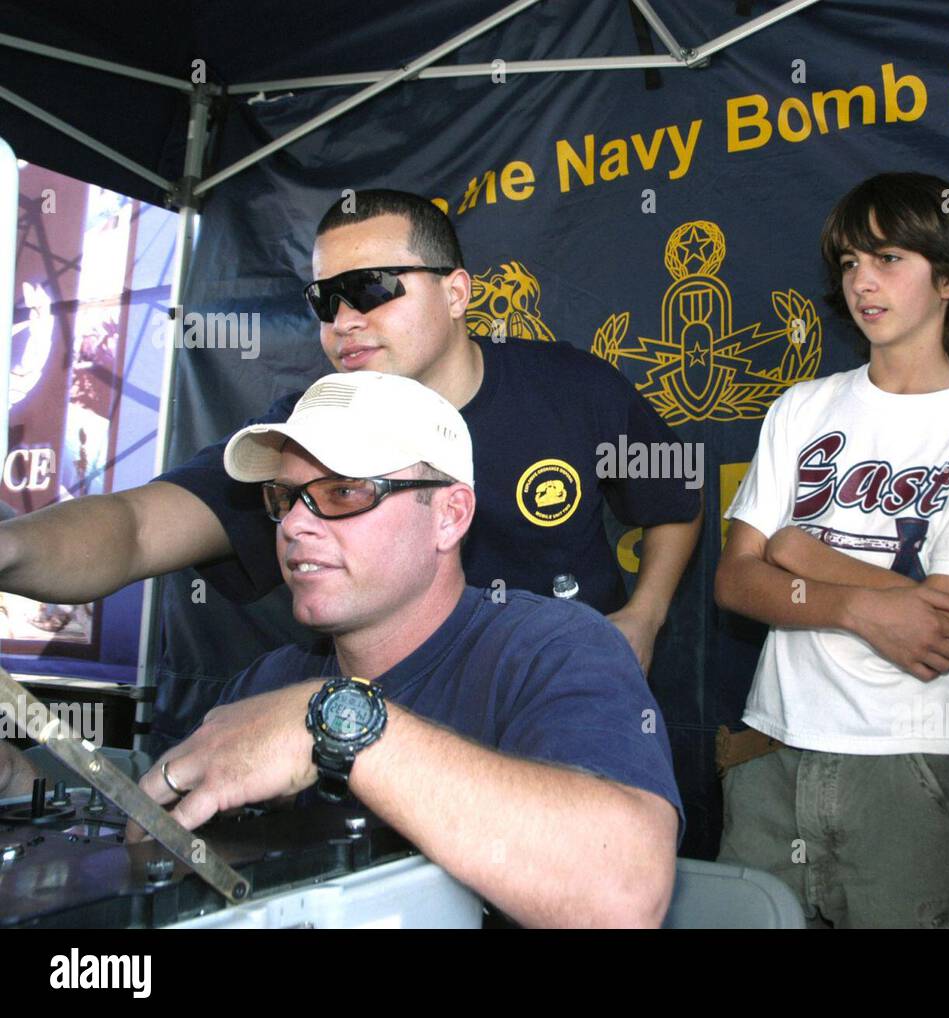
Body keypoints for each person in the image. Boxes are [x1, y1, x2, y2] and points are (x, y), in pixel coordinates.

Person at [0, 190, 701, 748]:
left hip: (558, 716)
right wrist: (13, 547)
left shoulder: (569, 387)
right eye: (324, 299)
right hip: (381, 736)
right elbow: (139, 528)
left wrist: (644, 615)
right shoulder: (305, 436)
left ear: (456, 293)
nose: (343, 318)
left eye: (371, 288)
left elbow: (675, 498)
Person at [109, 370, 672, 929]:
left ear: (449, 516)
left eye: (343, 491)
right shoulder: (265, 687)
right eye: (284, 497)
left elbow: (623, 896)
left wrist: (331, 726)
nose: (295, 524)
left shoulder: (553, 651)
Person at [713, 172, 949, 928]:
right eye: (851, 263)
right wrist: (863, 604)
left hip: (913, 762)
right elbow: (735, 580)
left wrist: (800, 549)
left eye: (889, 258)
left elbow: (944, 622)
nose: (863, 281)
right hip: (773, 750)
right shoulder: (803, 406)